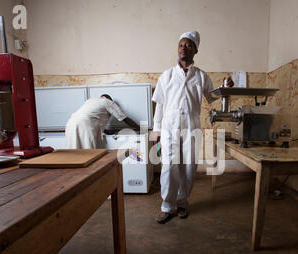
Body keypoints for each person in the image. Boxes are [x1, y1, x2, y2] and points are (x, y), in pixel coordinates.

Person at [152, 31, 233, 224]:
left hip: (192, 126)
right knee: (169, 166)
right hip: (169, 127)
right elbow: (160, 104)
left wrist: (225, 88)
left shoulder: (201, 76)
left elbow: (212, 97)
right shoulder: (167, 75)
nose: (183, 48)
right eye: (181, 44)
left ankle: (182, 203)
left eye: (188, 45)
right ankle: (167, 206)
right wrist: (156, 129)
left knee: (188, 166)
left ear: (195, 50)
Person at [65, 94, 140, 149]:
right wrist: (139, 128)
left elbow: (104, 129)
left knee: (73, 153)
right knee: (87, 153)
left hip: (70, 124)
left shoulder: (90, 101)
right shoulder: (108, 102)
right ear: (109, 99)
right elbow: (124, 118)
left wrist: (117, 130)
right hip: (85, 125)